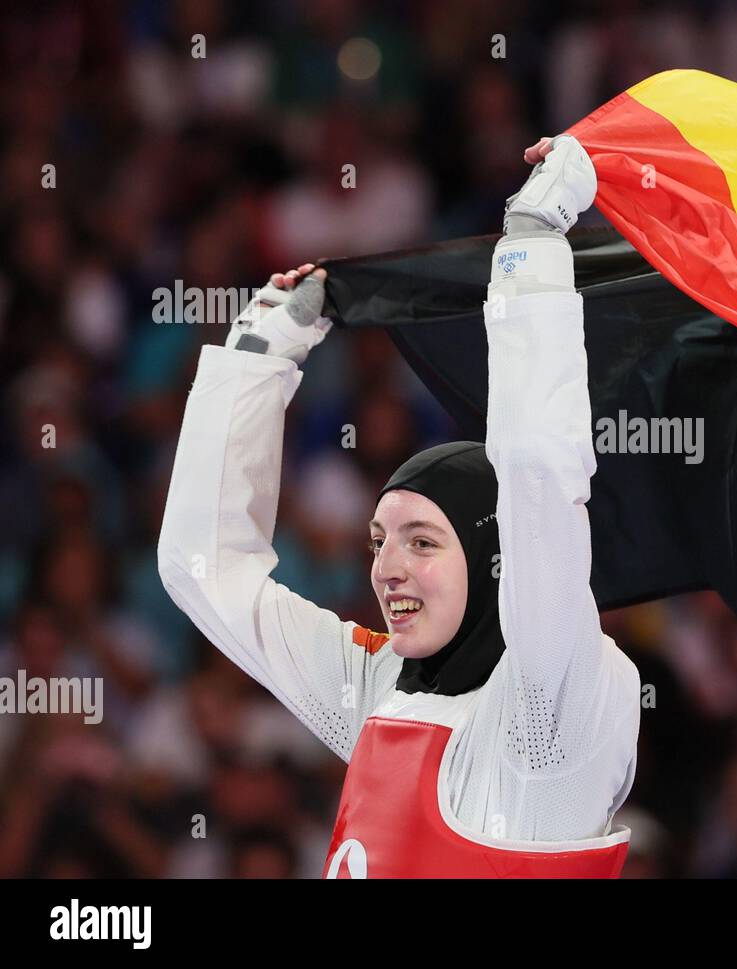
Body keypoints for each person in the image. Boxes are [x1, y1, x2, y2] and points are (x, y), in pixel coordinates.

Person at [157, 135, 642, 878]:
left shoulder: (552, 708)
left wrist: (534, 252)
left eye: (422, 541)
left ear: (498, 557)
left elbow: (540, 478)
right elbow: (204, 568)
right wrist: (261, 352)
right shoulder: (379, 688)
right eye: (380, 539)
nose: (386, 566)